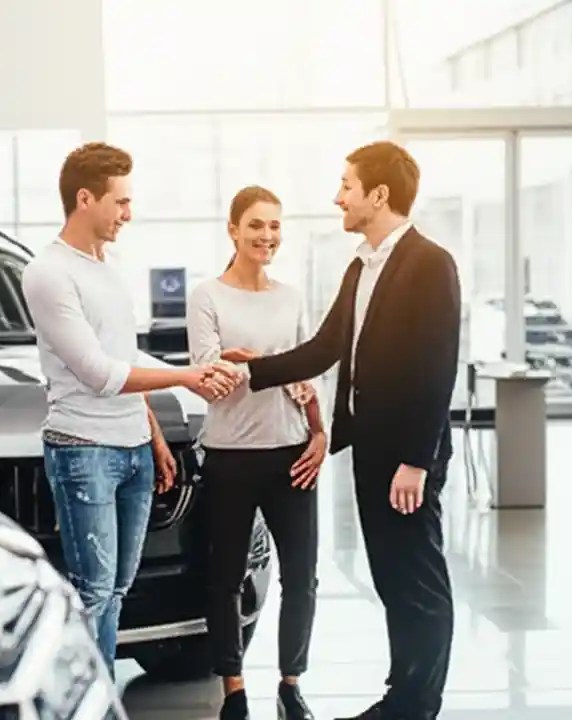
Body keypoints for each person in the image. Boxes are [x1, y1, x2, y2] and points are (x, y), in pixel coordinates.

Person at [223, 141, 460, 720]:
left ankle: (416, 705)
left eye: (347, 185)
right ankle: (400, 695)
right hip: (374, 452)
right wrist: (250, 370)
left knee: (418, 583)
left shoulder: (430, 262)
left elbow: (438, 366)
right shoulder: (361, 265)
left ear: (378, 195)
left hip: (408, 459)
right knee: (391, 579)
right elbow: (328, 347)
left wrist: (416, 461)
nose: (338, 196)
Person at [21, 141, 241, 675]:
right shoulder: (49, 273)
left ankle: (98, 700)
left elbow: (125, 357)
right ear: (84, 199)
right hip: (84, 451)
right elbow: (98, 373)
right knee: (92, 593)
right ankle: (85, 704)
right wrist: (189, 377)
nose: (128, 213)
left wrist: (157, 437)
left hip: (133, 451)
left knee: (117, 591)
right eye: (120, 202)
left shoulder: (109, 266)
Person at [187, 186, 326, 720]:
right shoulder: (208, 296)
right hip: (231, 456)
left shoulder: (290, 296)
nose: (267, 236)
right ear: (233, 229)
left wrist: (318, 433)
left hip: (291, 451)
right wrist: (265, 363)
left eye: (274, 226)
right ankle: (235, 691)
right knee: (225, 578)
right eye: (256, 226)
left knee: (302, 576)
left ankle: (291, 684)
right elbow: (208, 372)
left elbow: (307, 374)